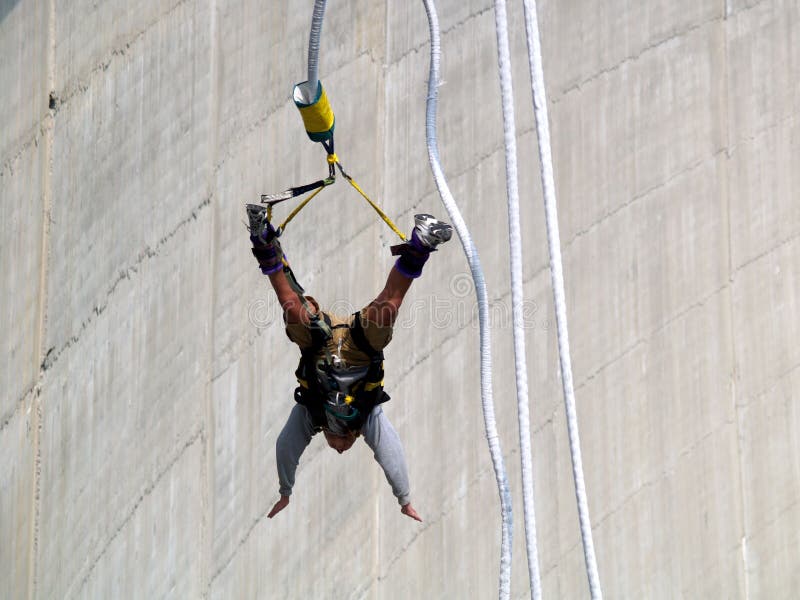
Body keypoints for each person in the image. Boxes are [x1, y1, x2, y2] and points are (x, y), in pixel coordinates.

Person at [246, 203, 453, 521]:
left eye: (334, 445)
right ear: (354, 437)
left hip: (319, 345)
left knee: (290, 304)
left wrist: (285, 490)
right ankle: (420, 244)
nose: (339, 447)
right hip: (361, 347)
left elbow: (287, 447)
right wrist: (404, 497)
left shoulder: (310, 415)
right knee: (388, 307)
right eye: (345, 445)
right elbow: (390, 452)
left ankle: (261, 238)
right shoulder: (367, 417)